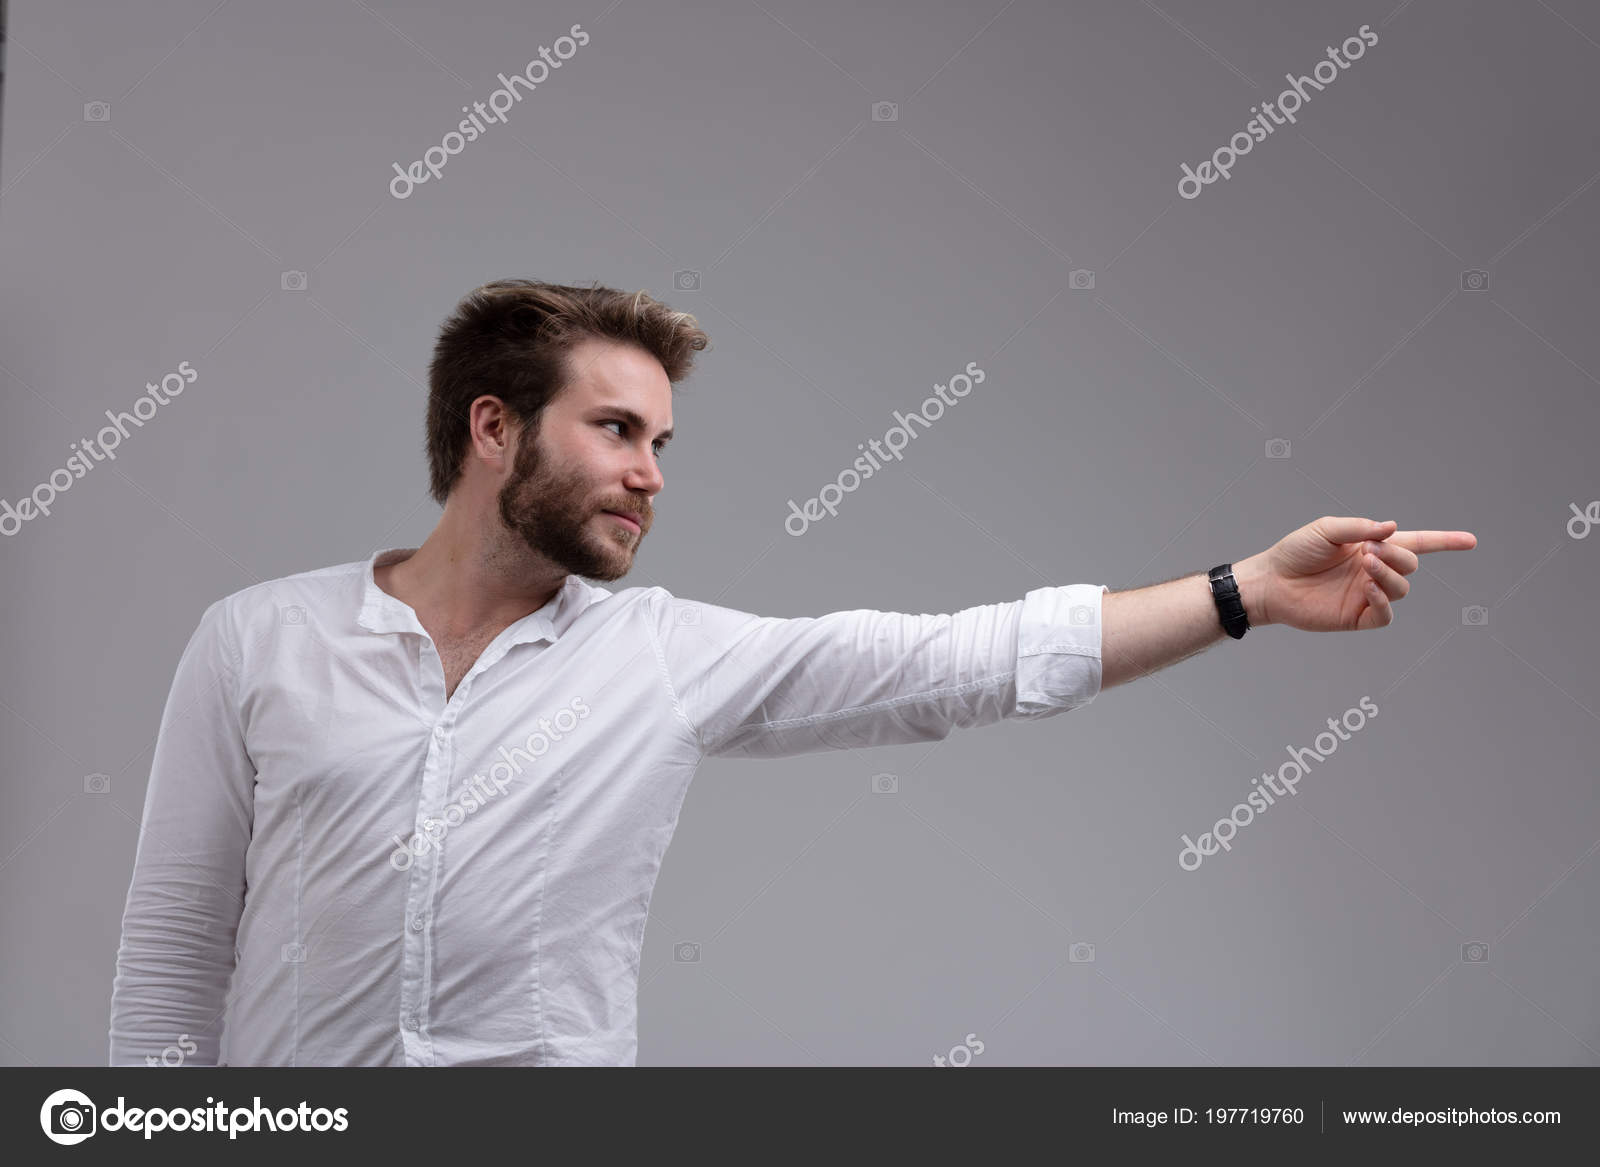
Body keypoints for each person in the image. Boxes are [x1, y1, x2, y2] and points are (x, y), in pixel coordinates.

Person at [108, 279, 1477, 1066]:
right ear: (492, 429)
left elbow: (958, 665)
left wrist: (1245, 593)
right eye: (617, 429)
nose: (652, 473)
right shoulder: (257, 641)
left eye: (663, 441)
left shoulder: (668, 659)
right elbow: (171, 963)